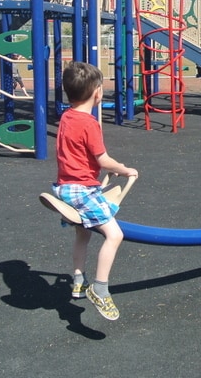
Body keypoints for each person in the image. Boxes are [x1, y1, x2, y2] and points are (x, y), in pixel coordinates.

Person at [52, 61, 138, 320]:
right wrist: (125, 169)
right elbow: (103, 159)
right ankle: (100, 289)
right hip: (81, 191)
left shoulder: (67, 116)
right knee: (114, 234)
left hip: (64, 188)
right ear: (98, 92)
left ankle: (79, 278)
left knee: (83, 235)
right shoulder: (89, 123)